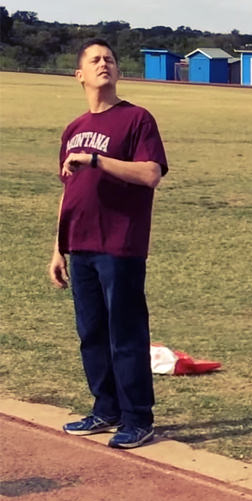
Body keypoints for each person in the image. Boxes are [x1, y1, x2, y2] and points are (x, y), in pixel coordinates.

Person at [50, 38, 168, 449]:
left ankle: (138, 418)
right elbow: (70, 191)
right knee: (92, 333)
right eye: (95, 60)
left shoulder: (136, 119)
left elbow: (150, 173)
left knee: (125, 333)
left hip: (119, 244)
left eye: (111, 60)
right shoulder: (74, 129)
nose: (105, 64)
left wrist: (97, 160)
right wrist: (57, 247)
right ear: (79, 74)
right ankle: (107, 409)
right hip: (80, 246)